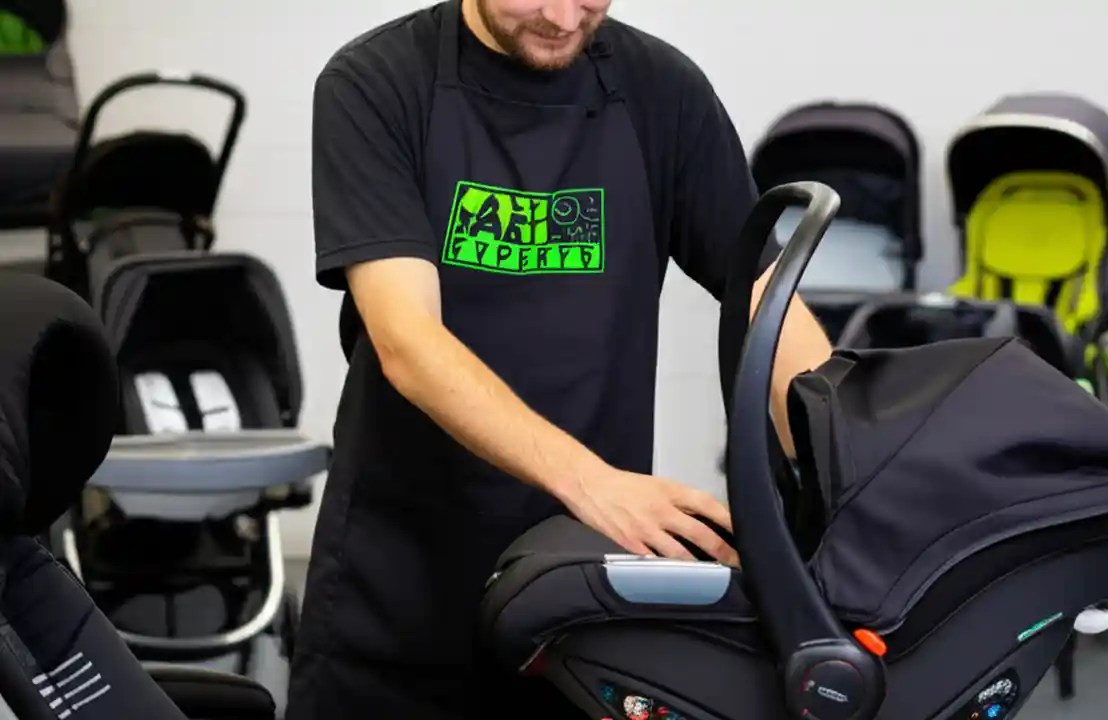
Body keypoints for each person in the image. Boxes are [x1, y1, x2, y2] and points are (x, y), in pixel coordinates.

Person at [286, 0, 834, 717]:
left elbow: (767, 300)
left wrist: (851, 485)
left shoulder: (661, 91)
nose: (561, 15)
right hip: (400, 593)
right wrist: (593, 483)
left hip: (581, 601)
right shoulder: (379, 83)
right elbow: (407, 342)